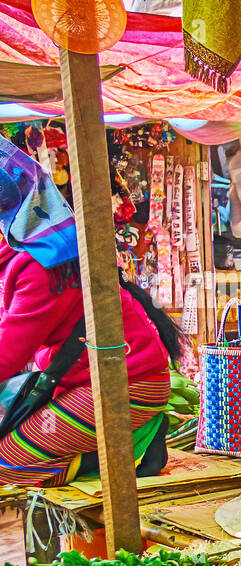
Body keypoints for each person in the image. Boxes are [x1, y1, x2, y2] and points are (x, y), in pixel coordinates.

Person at [0, 138, 180, 487]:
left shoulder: (41, 263)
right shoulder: (21, 254)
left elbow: (8, 355)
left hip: (128, 384)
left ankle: (134, 447)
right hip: (80, 379)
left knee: (7, 463)